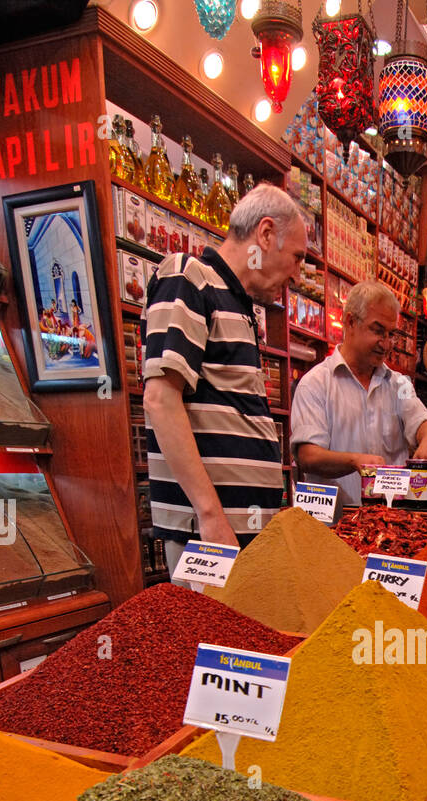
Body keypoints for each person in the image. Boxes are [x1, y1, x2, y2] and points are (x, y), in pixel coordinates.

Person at [142, 182, 307, 572]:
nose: (297, 275)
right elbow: (161, 400)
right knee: (208, 634)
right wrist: (211, 515)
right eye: (297, 257)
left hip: (237, 533)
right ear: (265, 234)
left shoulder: (240, 304)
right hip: (208, 536)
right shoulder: (188, 276)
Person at [290, 280, 427, 506]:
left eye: (391, 334)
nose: (386, 343)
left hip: (390, 524)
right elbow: (308, 457)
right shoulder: (316, 383)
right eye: (378, 330)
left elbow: (423, 421)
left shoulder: (398, 384)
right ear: (350, 322)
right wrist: (354, 461)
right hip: (332, 527)